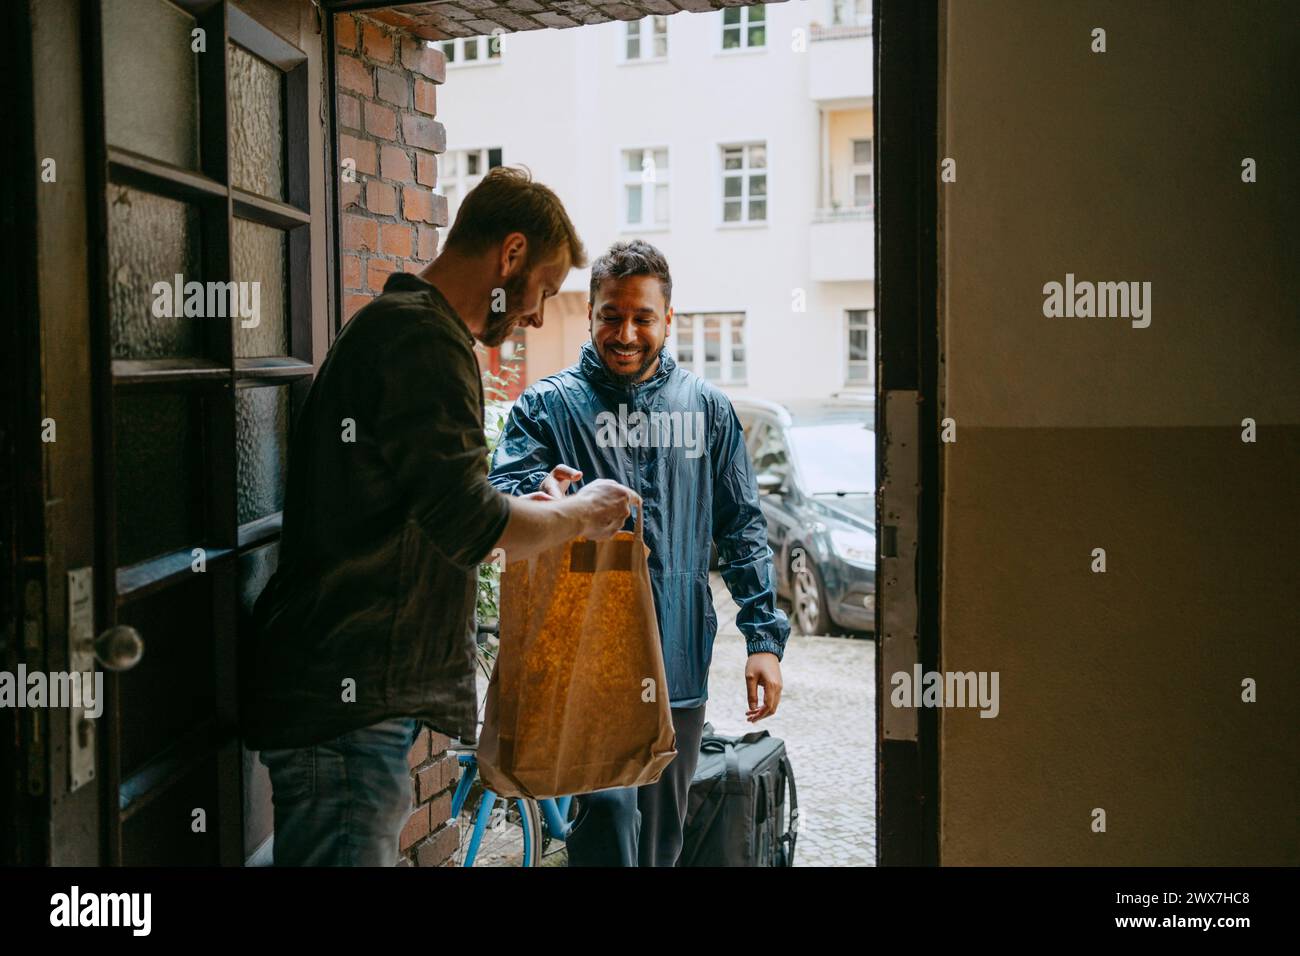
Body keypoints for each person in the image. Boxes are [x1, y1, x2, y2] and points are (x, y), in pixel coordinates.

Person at [242, 167, 638, 866]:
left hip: (345, 702)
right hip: (348, 708)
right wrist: (580, 514)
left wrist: (532, 509)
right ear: (509, 255)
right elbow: (470, 523)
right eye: (543, 290)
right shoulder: (424, 341)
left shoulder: (402, 329)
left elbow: (435, 517)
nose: (540, 316)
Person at [489, 239, 790, 867]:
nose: (625, 333)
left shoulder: (707, 410)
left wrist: (763, 639)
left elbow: (742, 529)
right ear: (591, 313)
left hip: (677, 657)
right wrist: (539, 496)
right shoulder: (549, 406)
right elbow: (499, 500)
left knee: (661, 838)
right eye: (611, 315)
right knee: (606, 826)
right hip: (588, 662)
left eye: (642, 317)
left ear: (667, 319)